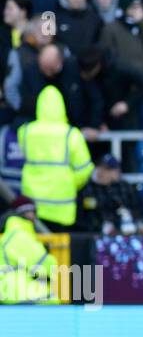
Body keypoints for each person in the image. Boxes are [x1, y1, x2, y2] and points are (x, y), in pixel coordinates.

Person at [16, 85, 91, 231]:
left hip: (33, 204)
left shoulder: (25, 131)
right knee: (60, 249)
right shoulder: (71, 134)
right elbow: (85, 169)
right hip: (62, 207)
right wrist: (71, 183)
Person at [0, 196, 56, 304]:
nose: (31, 215)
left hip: (12, 294)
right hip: (22, 295)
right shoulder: (19, 234)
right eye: (27, 212)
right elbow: (44, 263)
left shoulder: (13, 232)